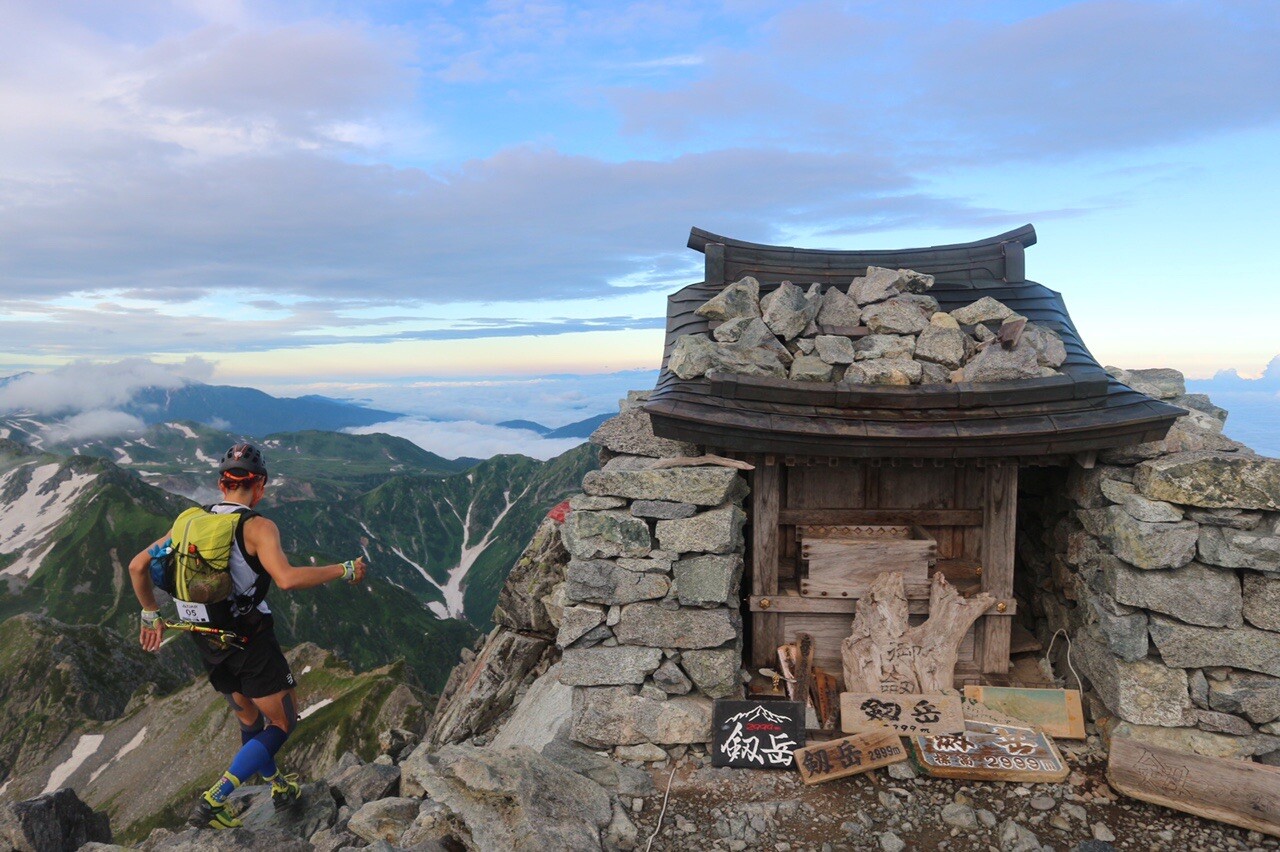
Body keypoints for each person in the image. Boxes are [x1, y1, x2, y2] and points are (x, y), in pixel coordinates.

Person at [127, 442, 368, 829]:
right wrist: (343, 570)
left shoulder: (187, 521)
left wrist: (150, 614)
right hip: (249, 640)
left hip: (205, 639)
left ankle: (277, 785)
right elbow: (287, 579)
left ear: (222, 484)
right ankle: (215, 798)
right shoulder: (257, 527)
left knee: (251, 723)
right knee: (283, 723)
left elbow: (138, 565)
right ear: (260, 486)